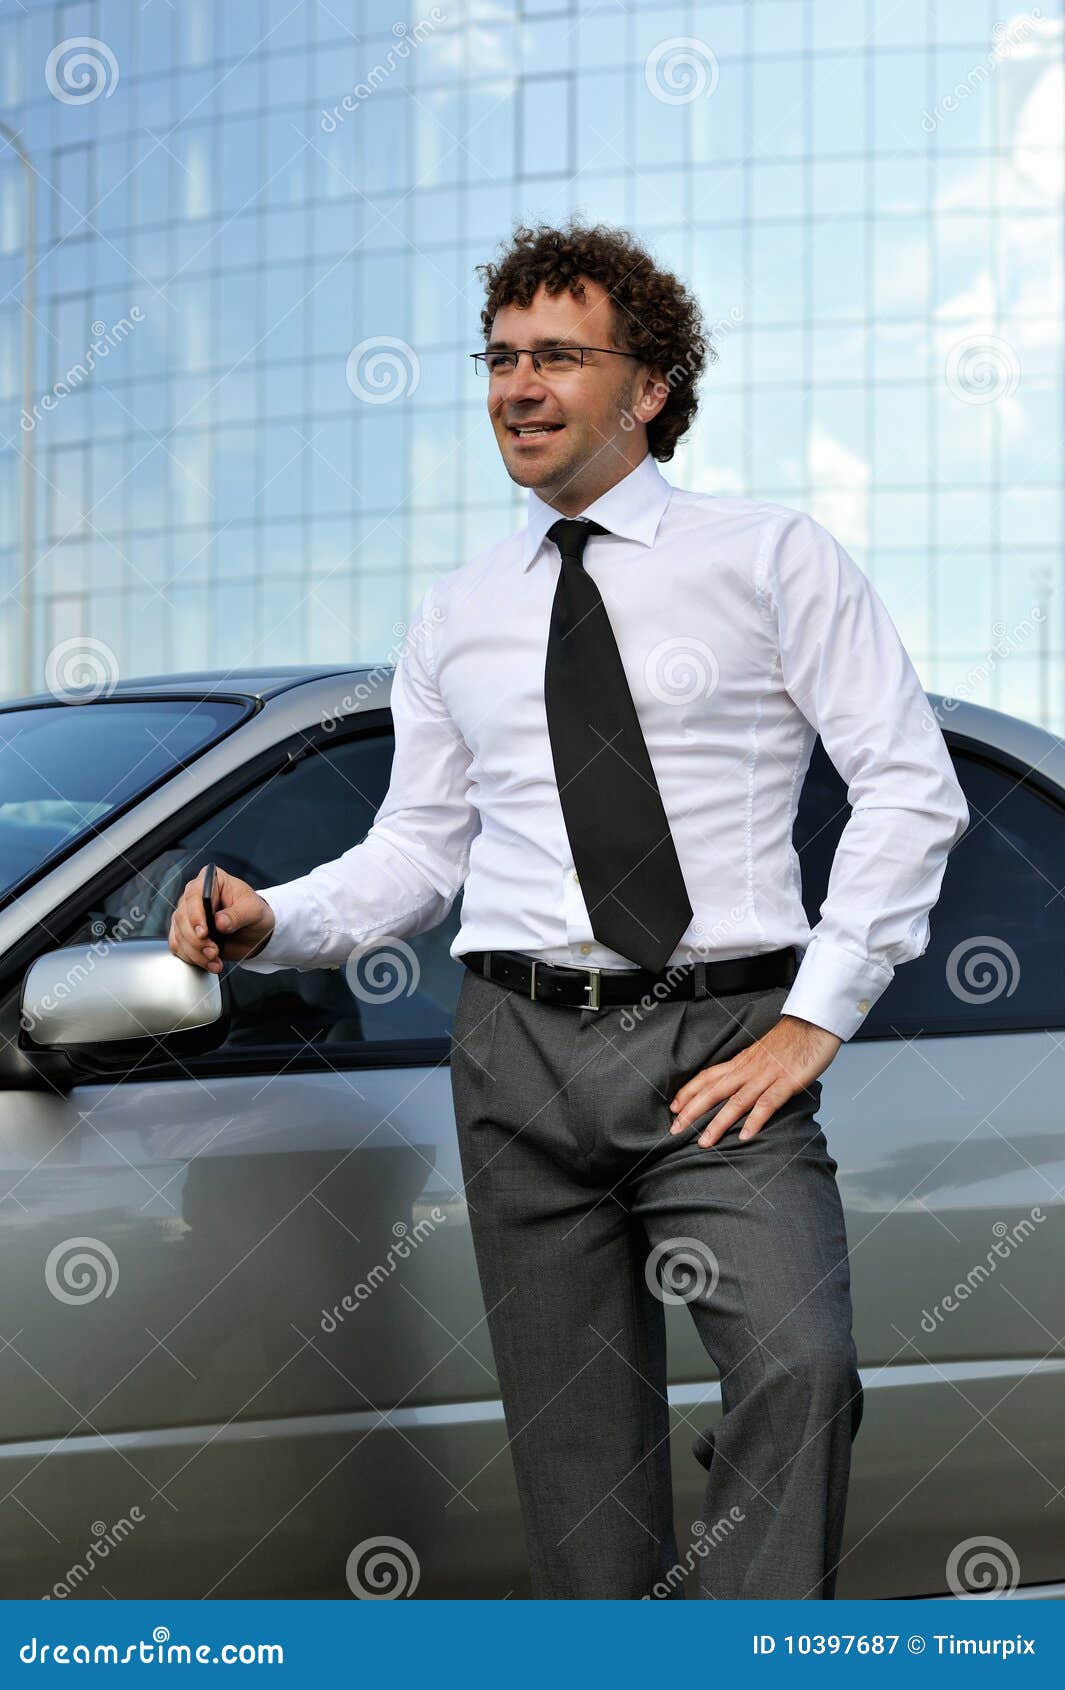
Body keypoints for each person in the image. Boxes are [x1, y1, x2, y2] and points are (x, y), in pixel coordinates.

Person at [168, 217, 969, 1600]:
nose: (515, 387)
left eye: (556, 357)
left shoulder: (772, 556)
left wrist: (810, 1022)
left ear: (648, 386)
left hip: (720, 1043)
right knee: (579, 1484)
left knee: (800, 1365)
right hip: (516, 1055)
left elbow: (909, 789)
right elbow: (415, 854)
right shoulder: (460, 608)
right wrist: (270, 920)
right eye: (497, 357)